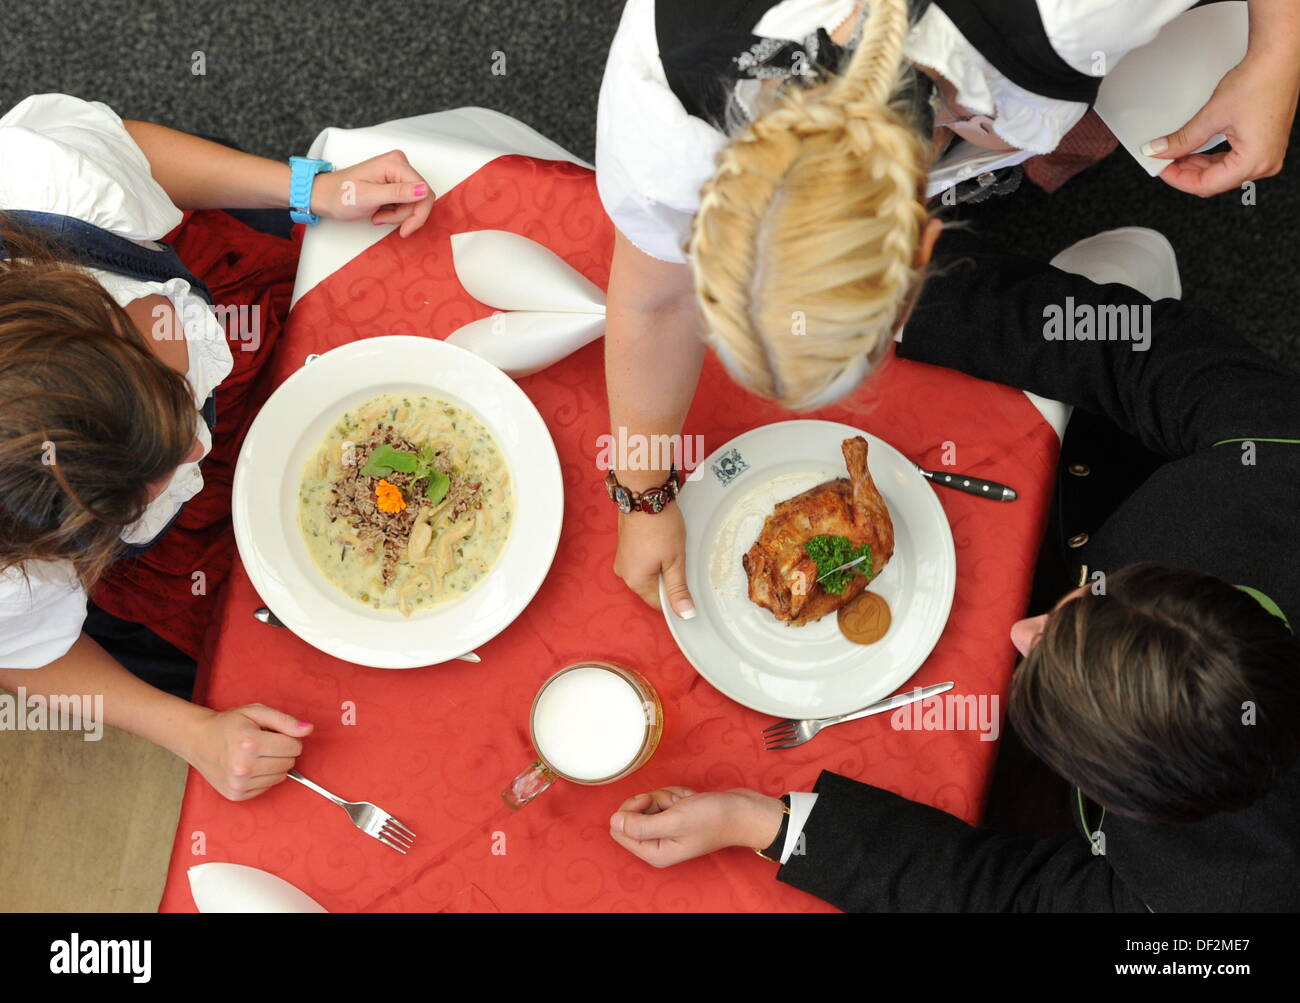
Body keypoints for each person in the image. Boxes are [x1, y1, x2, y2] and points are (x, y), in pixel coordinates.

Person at [607, 227, 1300, 911]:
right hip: (1092, 476)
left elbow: (1008, 898)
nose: (1018, 632)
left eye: (1043, 663)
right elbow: (1125, 346)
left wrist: (766, 824)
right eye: (1081, 607)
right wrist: (895, 295)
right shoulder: (1278, 453)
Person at [598, 0, 1300, 620]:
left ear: (927, 249)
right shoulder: (664, 119)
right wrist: (642, 496)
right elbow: (654, 299)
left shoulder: (1080, 12)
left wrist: (1277, 48)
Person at [0, 94, 435, 801]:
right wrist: (191, 732)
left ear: (87, 312)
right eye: (139, 495)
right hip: (173, 558)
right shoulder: (12, 578)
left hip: (226, 292)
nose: (193, 457)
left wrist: (309, 189)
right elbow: (21, 653)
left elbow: (131, 156)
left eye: (172, 406)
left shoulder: (40, 187)